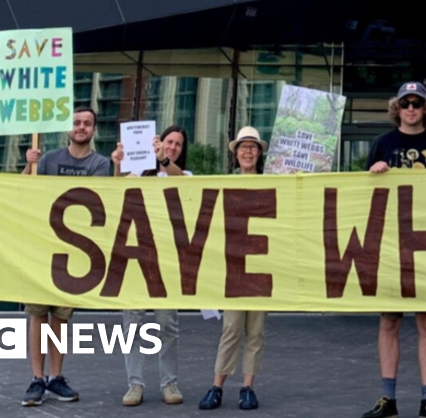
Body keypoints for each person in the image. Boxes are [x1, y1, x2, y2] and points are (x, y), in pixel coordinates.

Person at [362, 82, 426, 418]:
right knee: (389, 321)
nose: (411, 108)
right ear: (397, 107)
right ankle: (388, 399)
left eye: (417, 104)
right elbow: (362, 195)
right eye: (405, 103)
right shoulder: (382, 144)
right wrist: (372, 174)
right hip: (391, 245)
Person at [20, 107, 111, 406]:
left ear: (94, 130)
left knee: (60, 317)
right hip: (41, 247)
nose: (81, 127)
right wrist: (28, 167)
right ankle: (37, 379)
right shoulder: (47, 160)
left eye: (87, 124)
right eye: (76, 123)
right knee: (37, 315)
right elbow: (22, 192)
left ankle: (56, 378)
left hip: (76, 254)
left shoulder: (101, 163)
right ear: (68, 128)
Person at [112, 125, 190, 407]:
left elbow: (180, 181)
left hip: (166, 261)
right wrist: (118, 165)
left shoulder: (185, 175)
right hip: (134, 258)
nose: (172, 147)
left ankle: (169, 382)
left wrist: (164, 162)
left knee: (167, 323)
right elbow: (115, 192)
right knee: (132, 323)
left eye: (178, 145)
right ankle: (135, 384)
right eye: (168, 141)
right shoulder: (136, 174)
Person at [199, 126, 269, 412]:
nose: (248, 151)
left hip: (263, 266)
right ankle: (217, 385)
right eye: (243, 147)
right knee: (231, 329)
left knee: (255, 331)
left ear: (259, 153)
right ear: (236, 153)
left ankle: (247, 387)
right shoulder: (225, 183)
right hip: (234, 268)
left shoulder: (272, 184)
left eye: (252, 146)